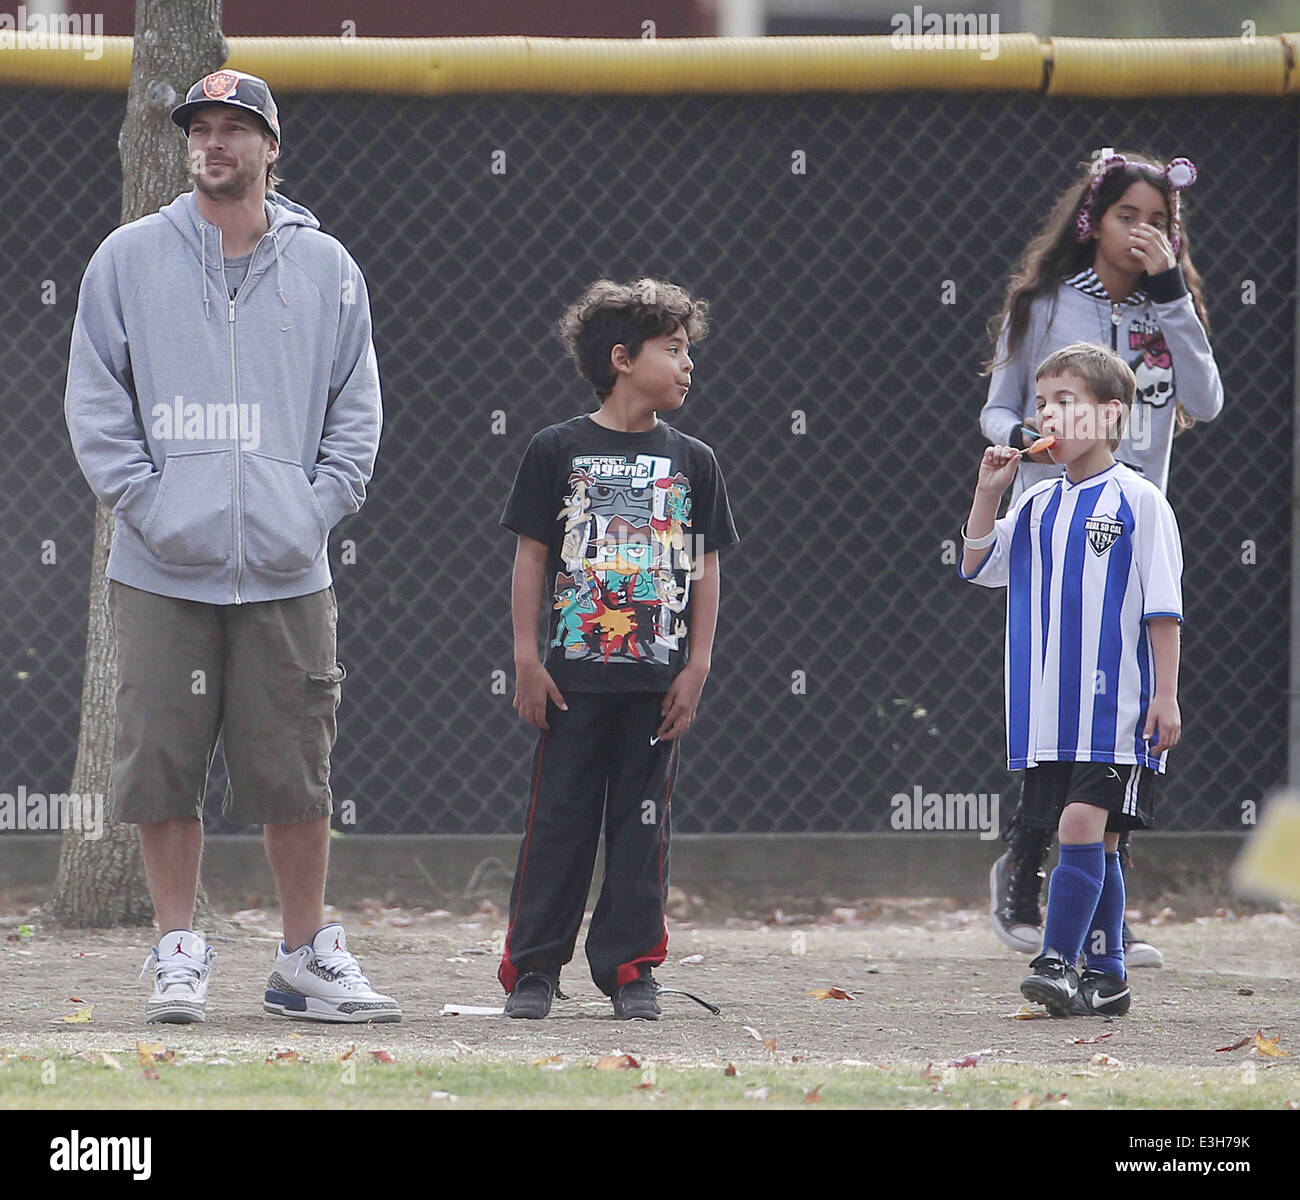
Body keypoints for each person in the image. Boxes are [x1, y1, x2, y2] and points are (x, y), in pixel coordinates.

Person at [64, 70, 397, 1024]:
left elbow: (356, 407)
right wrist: (151, 506)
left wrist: (313, 508)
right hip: (163, 568)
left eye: (235, 129)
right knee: (161, 762)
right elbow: (96, 401)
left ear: (270, 146)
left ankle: (302, 960)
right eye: (200, 129)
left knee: (296, 768)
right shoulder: (128, 258)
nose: (214, 143)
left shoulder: (327, 266)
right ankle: (178, 954)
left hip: (288, 569)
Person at [979, 148, 1220, 965]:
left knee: (1125, 714)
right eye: (1128, 216)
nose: (1143, 232)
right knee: (1056, 699)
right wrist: (1027, 443)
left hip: (1131, 521)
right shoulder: (1048, 303)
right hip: (1054, 523)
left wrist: (1171, 298)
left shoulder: (1167, 304)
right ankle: (1022, 880)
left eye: (1158, 220)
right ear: (1093, 220)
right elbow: (999, 408)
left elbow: (1207, 400)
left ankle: (1102, 917)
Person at [496, 278, 739, 1020]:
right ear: (622, 358)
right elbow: (532, 558)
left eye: (688, 350)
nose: (688, 365)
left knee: (642, 831)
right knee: (559, 822)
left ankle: (632, 970)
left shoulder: (693, 460)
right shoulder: (556, 449)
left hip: (655, 689)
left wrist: (696, 666)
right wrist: (528, 658)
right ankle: (534, 970)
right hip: (570, 683)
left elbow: (705, 568)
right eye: (674, 350)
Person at [961, 343, 1183, 1016]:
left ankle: (1056, 962)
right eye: (1041, 403)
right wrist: (987, 493)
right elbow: (976, 565)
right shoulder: (1033, 506)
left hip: (1117, 713)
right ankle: (1109, 973)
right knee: (1099, 841)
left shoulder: (1141, 501)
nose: (1048, 415)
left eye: (1066, 402)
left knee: (1083, 825)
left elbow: (1162, 608)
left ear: (1111, 414)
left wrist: (1166, 695)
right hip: (1047, 716)